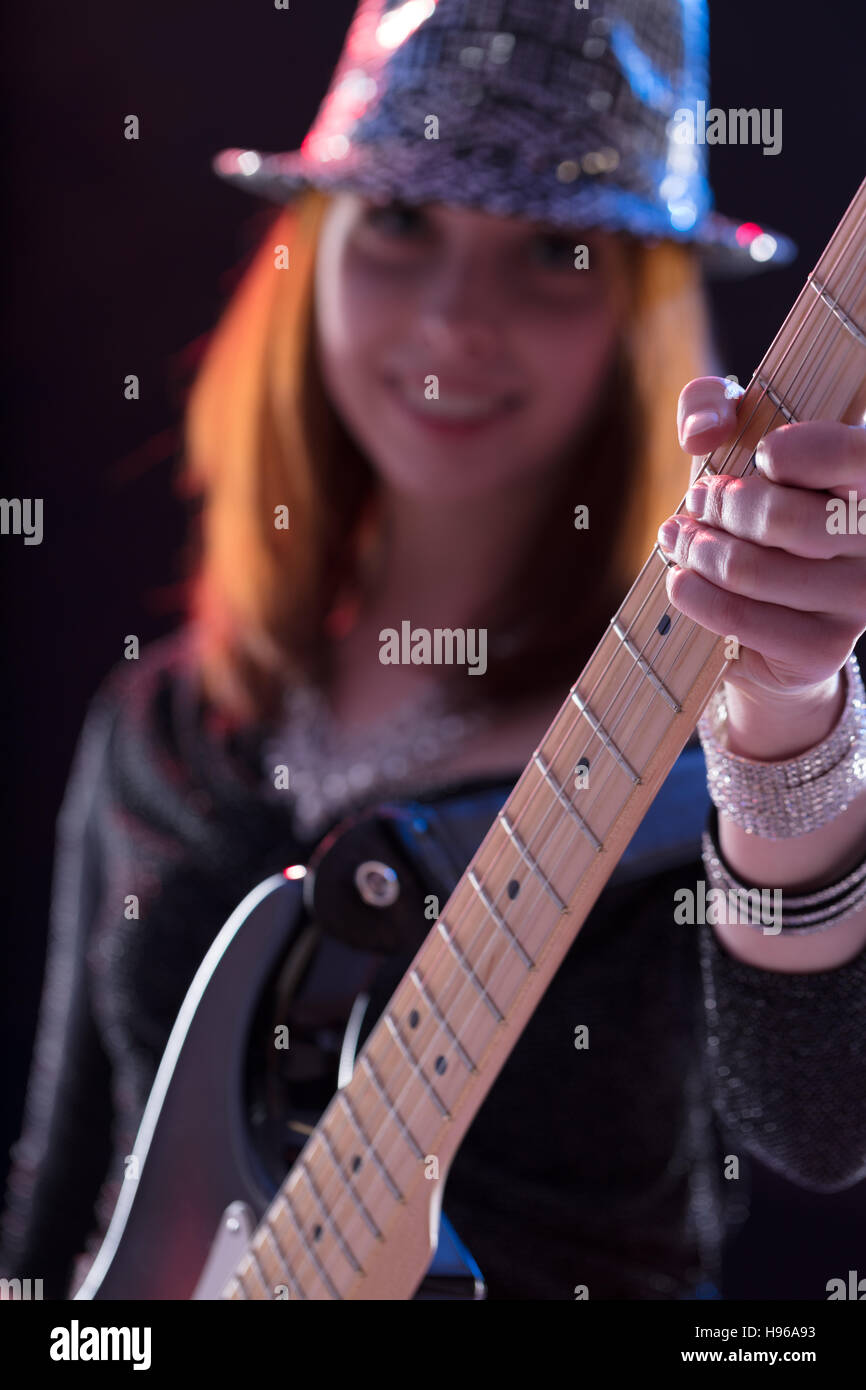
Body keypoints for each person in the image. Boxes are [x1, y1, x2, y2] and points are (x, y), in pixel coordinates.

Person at [2, 0, 865, 1301]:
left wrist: (782, 718)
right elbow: (62, 1206)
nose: (460, 320)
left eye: (555, 251)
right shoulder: (160, 728)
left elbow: (814, 1124)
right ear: (308, 250)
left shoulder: (683, 754)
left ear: (642, 310)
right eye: (403, 221)